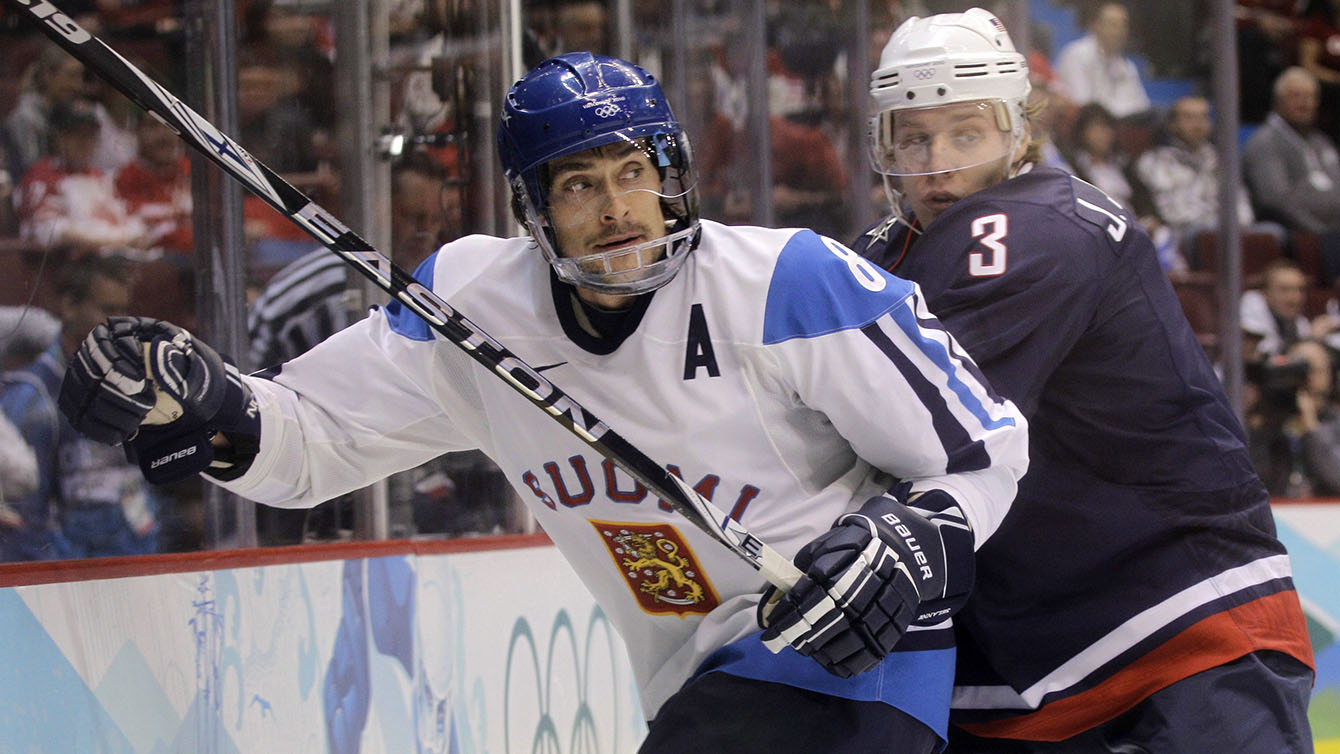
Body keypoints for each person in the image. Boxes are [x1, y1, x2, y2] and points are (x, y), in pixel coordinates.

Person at [57, 53, 1030, 753]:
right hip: (698, 681)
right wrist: (191, 405)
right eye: (579, 186)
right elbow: (310, 442)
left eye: (634, 175)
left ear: (670, 178)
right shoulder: (473, 305)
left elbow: (983, 443)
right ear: (532, 209)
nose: (617, 208)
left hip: (847, 644)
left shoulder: (785, 281)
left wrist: (919, 537)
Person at [854, 9, 1314, 752]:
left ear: (1018, 132)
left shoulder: (1030, 226)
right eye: (914, 136)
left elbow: (912, 429)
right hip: (1021, 653)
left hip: (1179, 619)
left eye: (965, 133)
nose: (937, 163)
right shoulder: (886, 251)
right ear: (883, 143)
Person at [1, 255, 159, 561]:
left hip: (137, 561)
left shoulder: (140, 381)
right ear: (70, 306)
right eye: (107, 310)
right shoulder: (32, 398)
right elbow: (23, 517)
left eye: (124, 309)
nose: (120, 323)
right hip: (64, 577)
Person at [1244, 66, 1340, 284]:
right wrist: (1321, 230)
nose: (1304, 104)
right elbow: (1275, 198)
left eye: (1310, 97)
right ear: (1278, 101)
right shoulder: (1265, 142)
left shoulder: (1321, 141)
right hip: (1296, 229)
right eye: (1296, 96)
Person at [1053, 1, 1152, 120]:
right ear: (1095, 25)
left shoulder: (1126, 66)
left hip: (1119, 127)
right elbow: (1083, 104)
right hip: (1085, 127)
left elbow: (1142, 107)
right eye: (1112, 24)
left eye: (1123, 25)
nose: (1118, 31)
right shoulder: (1076, 55)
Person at [1242, 258, 1340, 359]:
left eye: (1300, 290)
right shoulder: (1252, 304)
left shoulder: (1298, 320)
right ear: (1266, 293)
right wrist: (1312, 338)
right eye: (1285, 290)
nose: (1295, 298)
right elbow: (1264, 355)